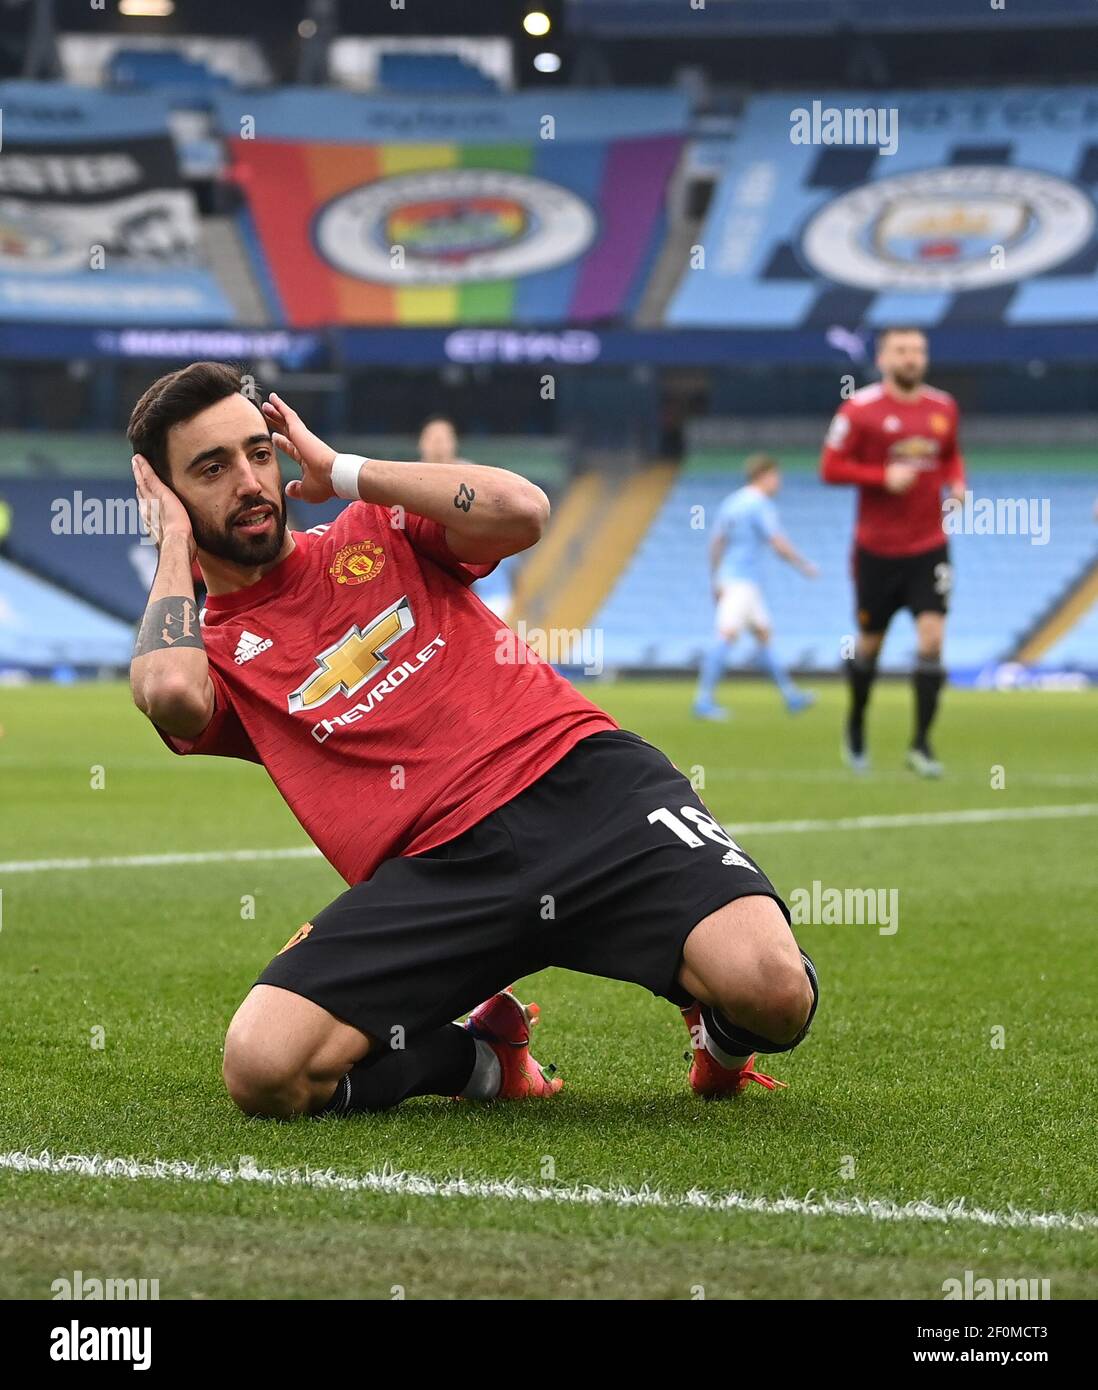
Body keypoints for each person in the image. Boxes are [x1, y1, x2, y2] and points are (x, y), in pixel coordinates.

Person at [127, 362, 818, 1120]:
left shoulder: (372, 526)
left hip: (584, 786)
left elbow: (522, 510)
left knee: (775, 993)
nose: (251, 482)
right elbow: (168, 695)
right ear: (166, 494)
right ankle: (487, 1061)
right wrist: (171, 545)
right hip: (439, 875)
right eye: (212, 468)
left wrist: (346, 471)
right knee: (265, 1072)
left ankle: (718, 1036)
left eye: (259, 452)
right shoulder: (213, 653)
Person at [821, 328, 965, 777]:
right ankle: (857, 723)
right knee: (870, 646)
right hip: (876, 552)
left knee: (932, 639)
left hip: (929, 546)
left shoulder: (943, 407)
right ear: (883, 358)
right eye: (902, 351)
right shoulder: (859, 410)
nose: (912, 358)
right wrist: (881, 476)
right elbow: (830, 467)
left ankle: (921, 744)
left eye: (918, 350)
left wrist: (957, 482)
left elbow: (951, 456)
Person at [694, 453, 818, 721]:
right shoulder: (759, 504)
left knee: (763, 635)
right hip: (741, 583)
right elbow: (777, 541)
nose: (779, 483)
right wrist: (803, 565)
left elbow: (716, 542)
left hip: (735, 579)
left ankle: (791, 695)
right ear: (765, 475)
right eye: (777, 477)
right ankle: (702, 701)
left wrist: (715, 579)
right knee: (726, 635)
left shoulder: (732, 502)